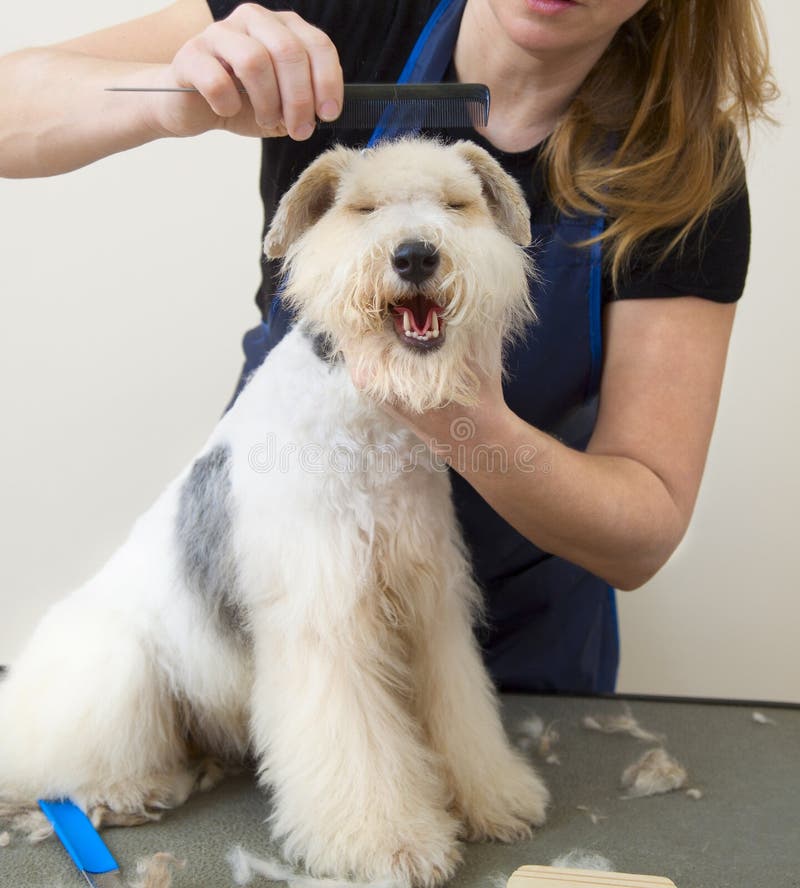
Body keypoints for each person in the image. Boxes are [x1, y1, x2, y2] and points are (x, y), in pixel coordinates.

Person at [0, 0, 775, 693]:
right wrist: (173, 94)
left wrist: (462, 420)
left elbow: (642, 533)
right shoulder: (347, 15)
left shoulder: (678, 168)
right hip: (272, 613)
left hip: (517, 656)